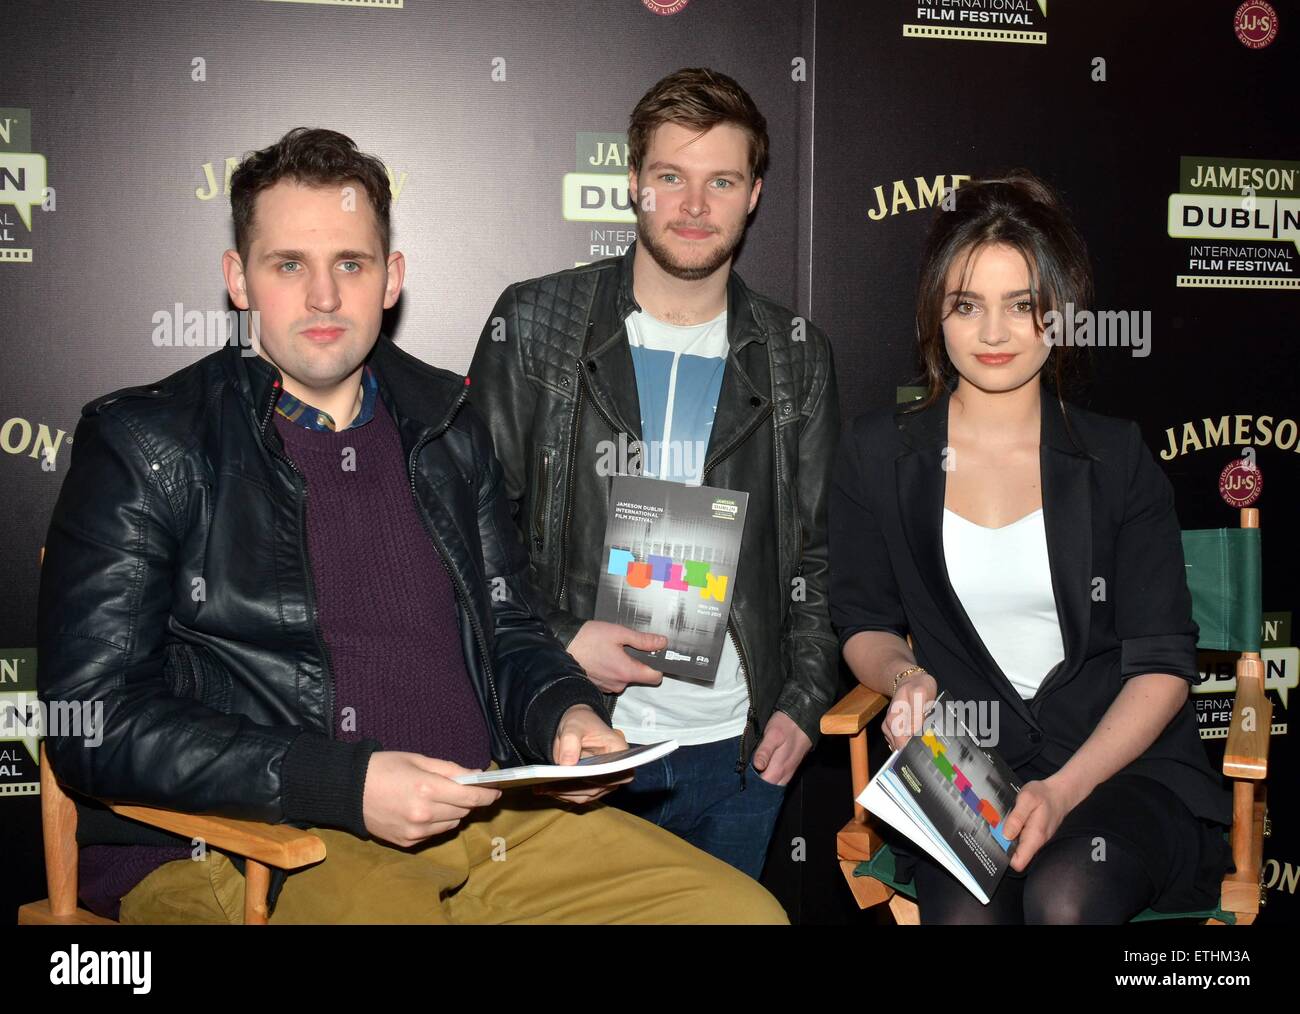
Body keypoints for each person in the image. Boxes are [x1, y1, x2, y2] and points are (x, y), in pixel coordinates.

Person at [36, 126, 787, 924]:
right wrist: (340, 783)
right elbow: (95, 721)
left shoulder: (448, 426)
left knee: (742, 915)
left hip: (486, 816)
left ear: (390, 279)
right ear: (239, 280)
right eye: (290, 264)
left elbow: (510, 633)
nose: (324, 297)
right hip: (261, 845)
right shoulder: (149, 444)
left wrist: (563, 716)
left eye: (350, 265)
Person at [827, 170, 1234, 924]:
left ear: (1060, 315)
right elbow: (863, 622)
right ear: (934, 315)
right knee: (965, 916)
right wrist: (906, 675)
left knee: (1067, 897)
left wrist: (1063, 790)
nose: (991, 334)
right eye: (966, 305)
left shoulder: (1117, 459)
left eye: (1022, 307)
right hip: (971, 774)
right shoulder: (878, 454)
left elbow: (1162, 662)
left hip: (1122, 772)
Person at [467, 68, 840, 879]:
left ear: (755, 194)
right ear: (633, 184)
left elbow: (819, 554)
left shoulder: (797, 355)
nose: (695, 206)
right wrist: (564, 639)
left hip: (738, 754)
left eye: (722, 181)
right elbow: (470, 533)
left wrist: (805, 704)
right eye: (672, 177)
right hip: (581, 740)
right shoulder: (536, 325)